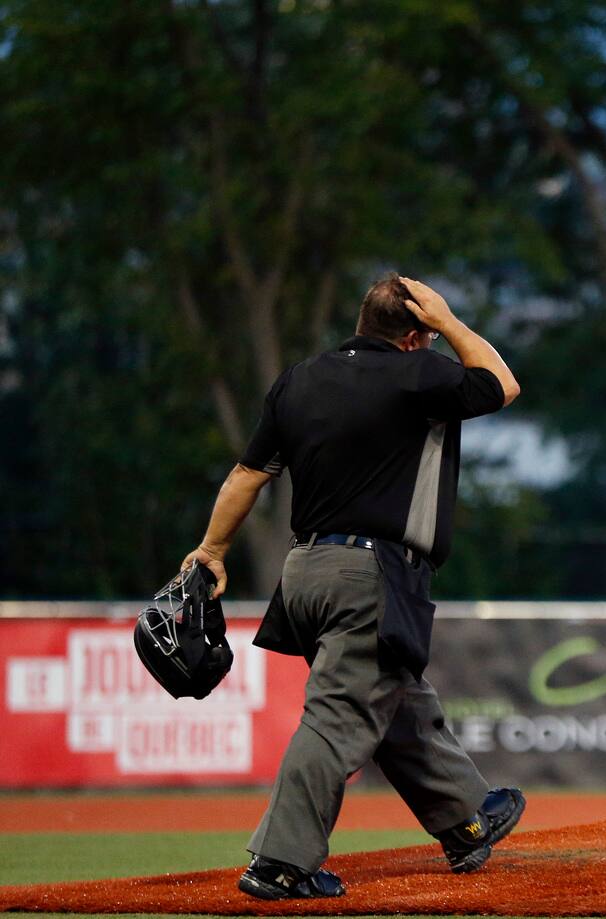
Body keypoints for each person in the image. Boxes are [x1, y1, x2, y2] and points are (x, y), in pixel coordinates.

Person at [181, 274, 524, 898]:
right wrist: (450, 322)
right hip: (371, 572)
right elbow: (503, 384)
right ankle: (281, 863)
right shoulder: (418, 372)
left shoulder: (300, 378)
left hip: (305, 572)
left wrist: (211, 550)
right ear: (415, 334)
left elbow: (246, 473)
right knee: (339, 716)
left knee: (393, 695)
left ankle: (467, 818)